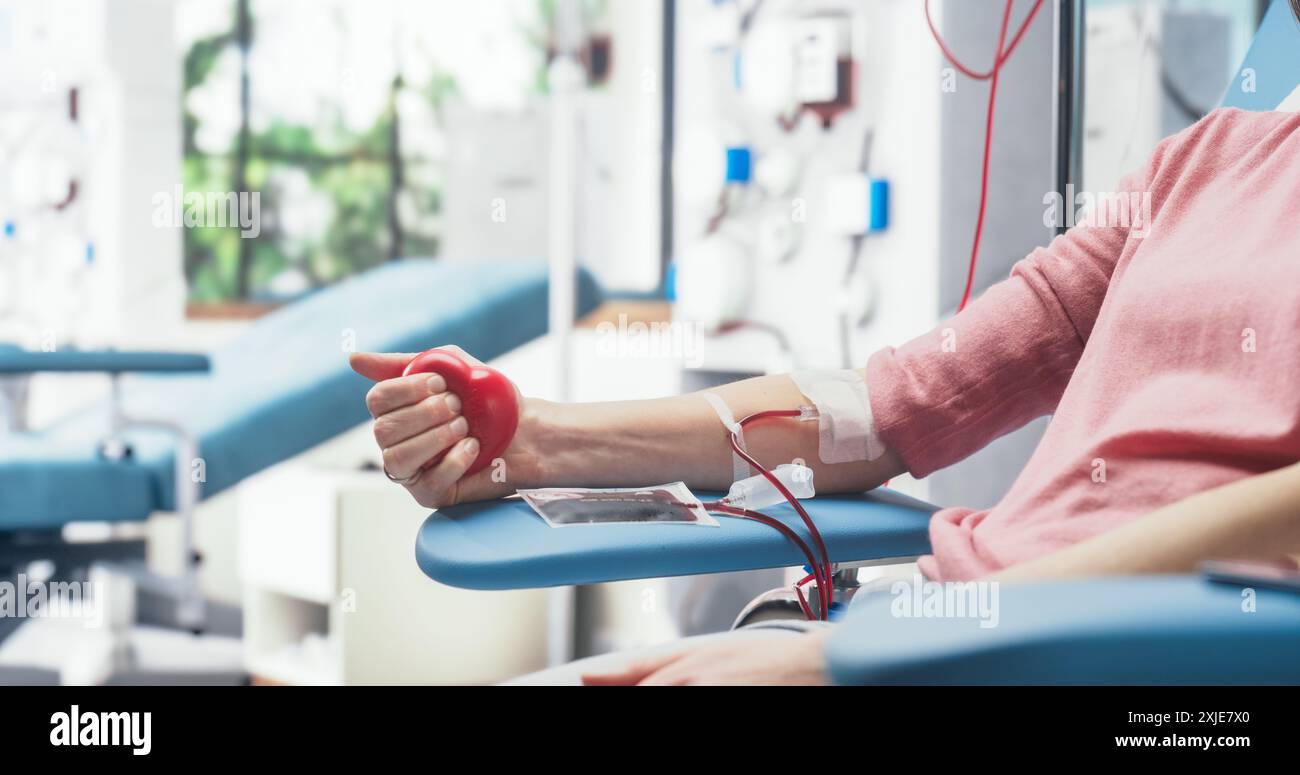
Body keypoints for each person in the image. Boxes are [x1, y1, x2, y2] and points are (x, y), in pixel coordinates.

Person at [350, 93, 1300, 684]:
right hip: (939, 627)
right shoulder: (1208, 161)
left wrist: (856, 655)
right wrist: (535, 443)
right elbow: (892, 407)